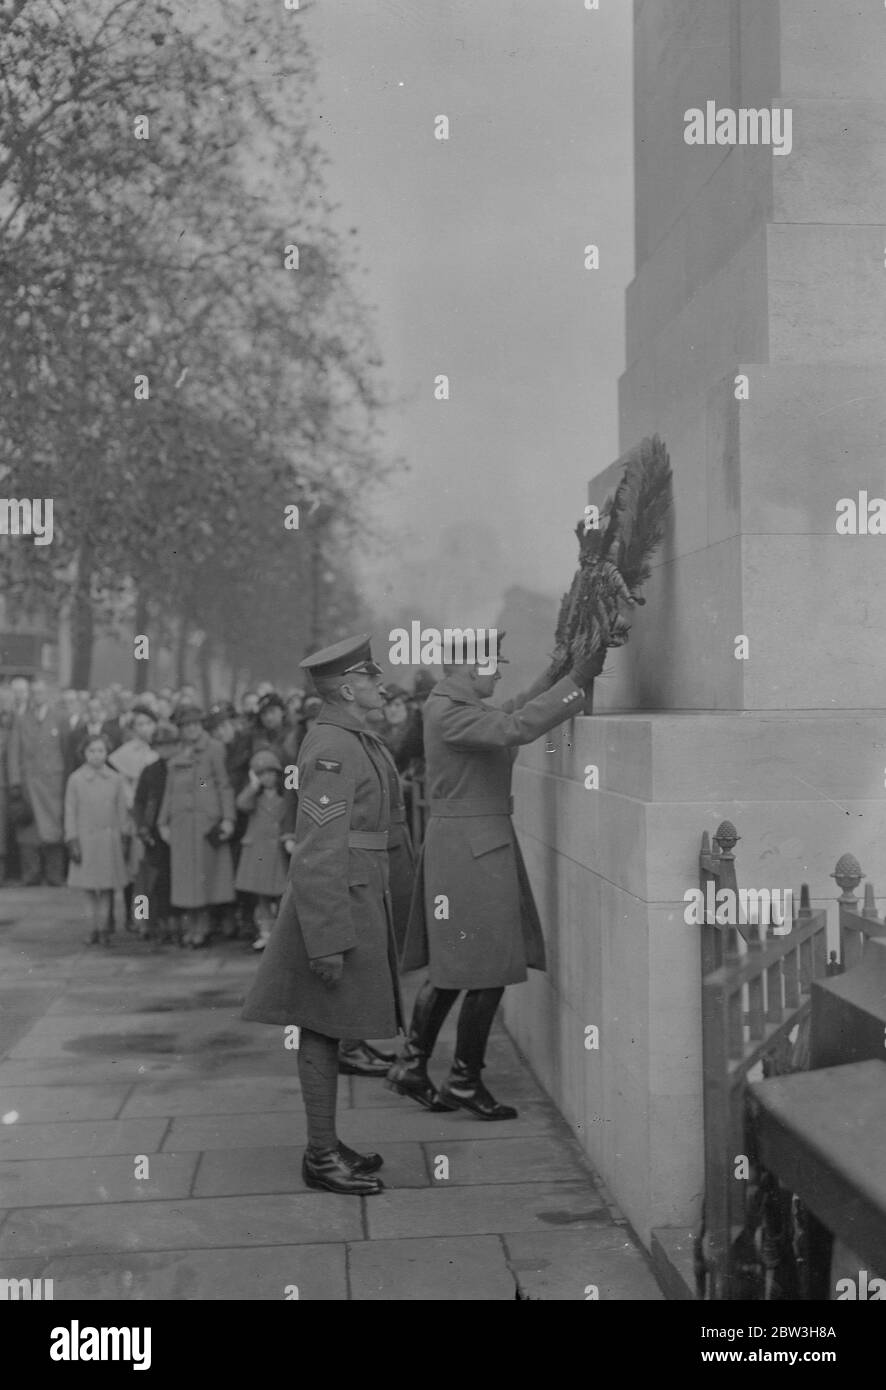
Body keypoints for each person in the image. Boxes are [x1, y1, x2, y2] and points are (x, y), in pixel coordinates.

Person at [387, 634, 603, 1119]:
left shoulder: (450, 702)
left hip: (470, 846)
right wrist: (579, 681)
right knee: (486, 970)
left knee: (456, 967)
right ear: (468, 667)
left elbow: (514, 708)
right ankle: (461, 1080)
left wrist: (558, 672)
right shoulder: (451, 710)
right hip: (472, 851)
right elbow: (516, 726)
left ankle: (413, 1066)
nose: (499, 672)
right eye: (493, 665)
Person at [242, 635, 402, 1196]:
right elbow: (318, 848)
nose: (383, 684)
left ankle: (327, 1143)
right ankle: (319, 1155)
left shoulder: (355, 738)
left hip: (355, 893)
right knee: (320, 1024)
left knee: (328, 1025)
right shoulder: (333, 747)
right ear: (348, 687)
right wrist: (326, 938)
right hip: (334, 902)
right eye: (372, 677)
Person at [157, 703, 235, 948]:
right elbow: (169, 791)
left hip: (205, 824)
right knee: (185, 880)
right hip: (181, 825)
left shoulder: (215, 749)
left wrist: (228, 818)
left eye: (194, 724)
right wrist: (163, 822)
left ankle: (203, 928)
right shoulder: (177, 754)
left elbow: (223, 784)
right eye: (186, 726)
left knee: (205, 878)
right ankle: (191, 927)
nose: (191, 729)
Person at [65, 734, 129, 946]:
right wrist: (72, 839)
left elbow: (121, 811)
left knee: (107, 889)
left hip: (108, 840)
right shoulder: (76, 779)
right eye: (91, 751)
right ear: (84, 753)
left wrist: (123, 837)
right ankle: (91, 928)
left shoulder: (115, 779)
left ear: (107, 752)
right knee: (89, 889)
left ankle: (104, 928)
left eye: (100, 751)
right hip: (86, 840)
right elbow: (70, 812)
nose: (96, 755)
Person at [7, 676, 66, 886]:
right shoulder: (22, 720)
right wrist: (15, 782)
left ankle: (54, 875)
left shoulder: (59, 718)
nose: (37, 697)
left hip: (53, 784)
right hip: (29, 783)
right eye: (34, 693)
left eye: (41, 692)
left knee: (54, 829)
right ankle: (30, 874)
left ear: (48, 694)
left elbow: (65, 750)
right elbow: (14, 751)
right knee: (28, 831)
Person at [108, 703, 159, 929]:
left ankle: (153, 917)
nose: (145, 728)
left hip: (158, 814)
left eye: (149, 723)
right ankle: (135, 916)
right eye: (140, 724)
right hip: (135, 815)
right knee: (135, 868)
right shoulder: (128, 752)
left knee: (153, 869)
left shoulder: (160, 749)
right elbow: (124, 786)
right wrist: (135, 807)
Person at [235, 749, 290, 951]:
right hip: (259, 853)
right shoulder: (254, 798)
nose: (267, 777)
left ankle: (280, 934)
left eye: (270, 772)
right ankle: (265, 933)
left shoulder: (285, 798)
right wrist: (252, 785)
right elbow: (241, 804)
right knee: (262, 898)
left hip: (276, 853)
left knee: (281, 896)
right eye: (261, 773)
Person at [132, 721, 178, 943]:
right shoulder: (149, 772)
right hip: (155, 834)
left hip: (179, 830)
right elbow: (139, 802)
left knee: (178, 879)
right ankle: (152, 923)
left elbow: (203, 786)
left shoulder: (187, 767)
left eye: (170, 745)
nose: (165, 750)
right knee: (153, 881)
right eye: (160, 745)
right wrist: (141, 826)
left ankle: (177, 923)